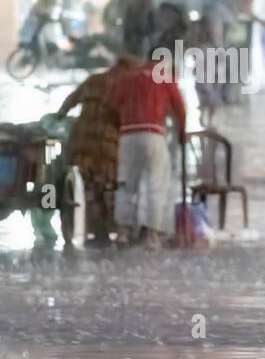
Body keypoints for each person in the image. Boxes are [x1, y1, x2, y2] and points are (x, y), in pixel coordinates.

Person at [104, 52, 186, 250]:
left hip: (128, 136)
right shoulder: (165, 76)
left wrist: (120, 127)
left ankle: (123, 232)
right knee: (156, 185)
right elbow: (179, 108)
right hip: (154, 135)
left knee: (125, 184)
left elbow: (108, 106)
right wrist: (181, 132)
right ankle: (152, 237)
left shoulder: (127, 77)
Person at [55, 56, 141, 246]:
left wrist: (60, 117)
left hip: (81, 141)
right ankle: (115, 231)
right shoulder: (125, 84)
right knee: (109, 187)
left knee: (90, 189)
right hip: (107, 144)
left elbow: (70, 101)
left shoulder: (93, 79)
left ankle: (96, 232)